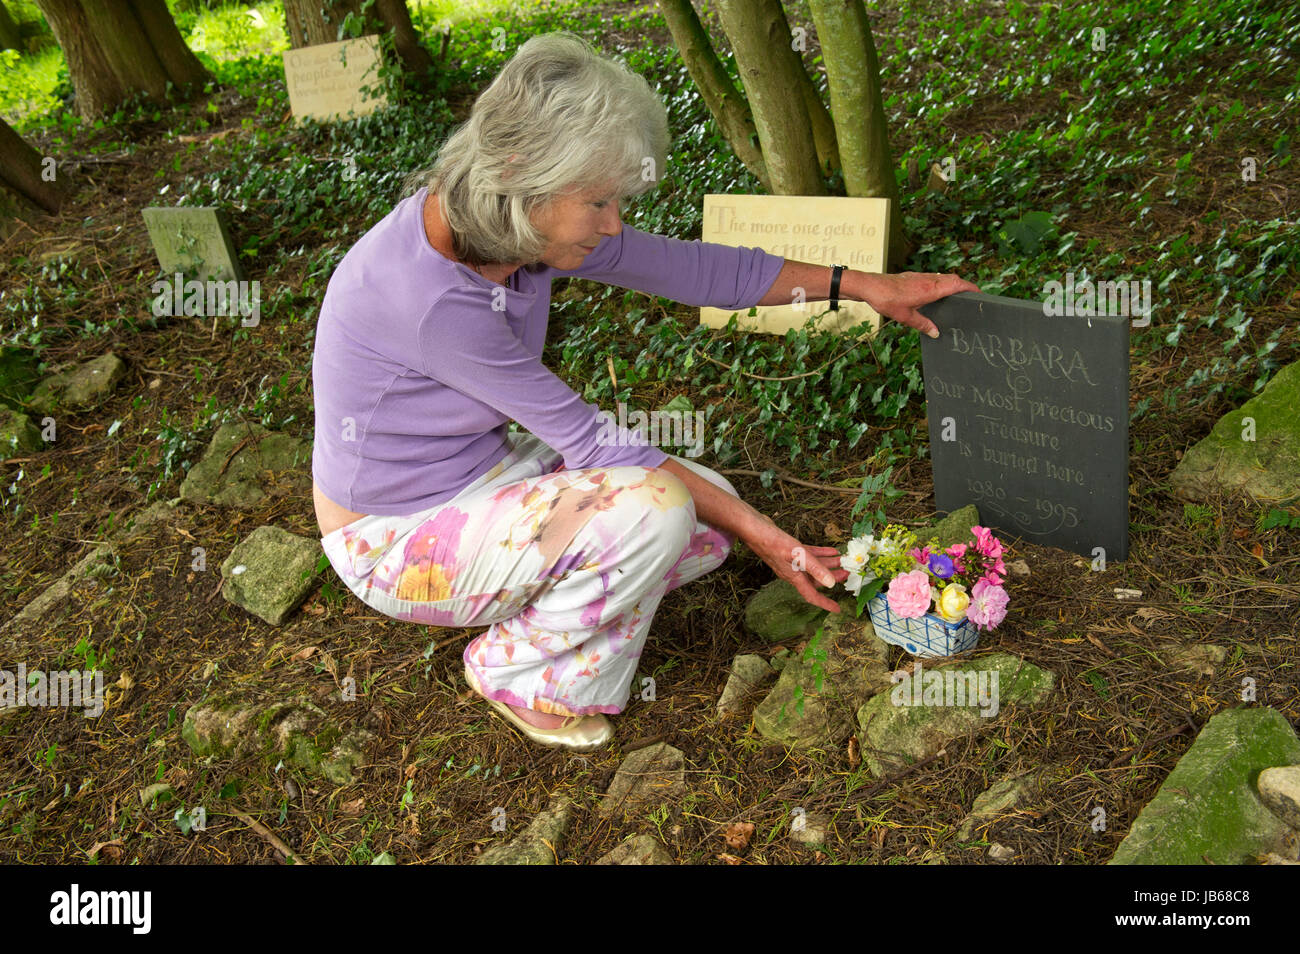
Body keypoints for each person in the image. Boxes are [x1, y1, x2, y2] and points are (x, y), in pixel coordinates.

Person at [312, 31, 978, 752]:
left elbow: (697, 273)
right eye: (598, 202)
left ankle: (559, 586)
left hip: (485, 473)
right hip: (395, 538)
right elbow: (595, 441)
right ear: (521, 176)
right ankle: (516, 671)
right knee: (660, 511)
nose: (614, 224)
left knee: (697, 520)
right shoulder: (429, 300)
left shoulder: (506, 223)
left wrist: (862, 285)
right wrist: (770, 538)